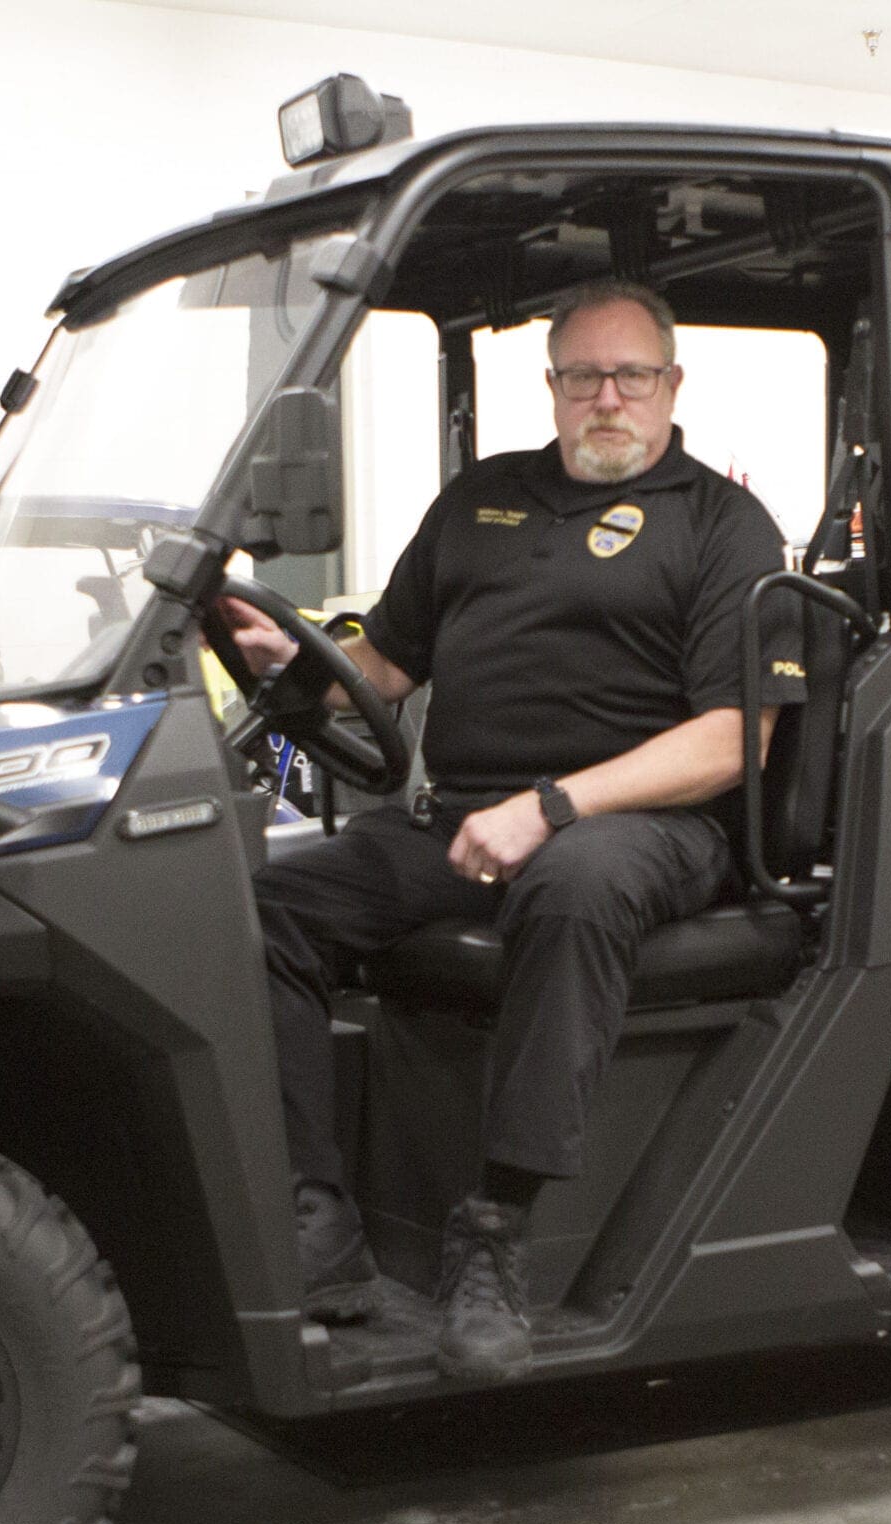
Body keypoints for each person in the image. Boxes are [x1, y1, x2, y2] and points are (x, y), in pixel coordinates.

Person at [222, 278, 804, 1382]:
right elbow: (389, 663)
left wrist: (553, 806)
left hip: (647, 821)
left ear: (671, 386)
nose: (607, 399)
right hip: (465, 816)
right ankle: (318, 1220)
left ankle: (493, 1233)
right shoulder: (481, 503)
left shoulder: (721, 525)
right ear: (551, 388)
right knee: (262, 907)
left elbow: (735, 741)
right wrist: (301, 671)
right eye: (582, 376)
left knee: (572, 883)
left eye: (632, 376)